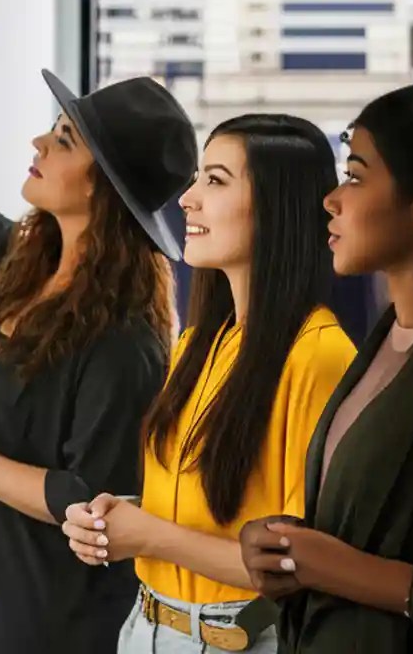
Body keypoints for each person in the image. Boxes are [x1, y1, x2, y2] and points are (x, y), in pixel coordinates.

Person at [0, 0, 195, 652]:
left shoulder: (127, 342)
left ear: (101, 189)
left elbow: (86, 497)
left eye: (63, 139)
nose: (38, 144)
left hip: (51, 622)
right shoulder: (22, 264)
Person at [61, 114, 358, 652]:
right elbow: (199, 509)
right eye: (198, 177)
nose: (187, 199)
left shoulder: (320, 355)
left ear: (276, 206)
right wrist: (115, 516)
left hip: (235, 639)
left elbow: (297, 561)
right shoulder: (199, 342)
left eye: (215, 181)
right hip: (143, 628)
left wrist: (149, 535)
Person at [239, 81, 413, 653]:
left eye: (357, 176)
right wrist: (274, 544)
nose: (332, 200)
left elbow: (358, 562)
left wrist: (342, 569)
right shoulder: (386, 338)